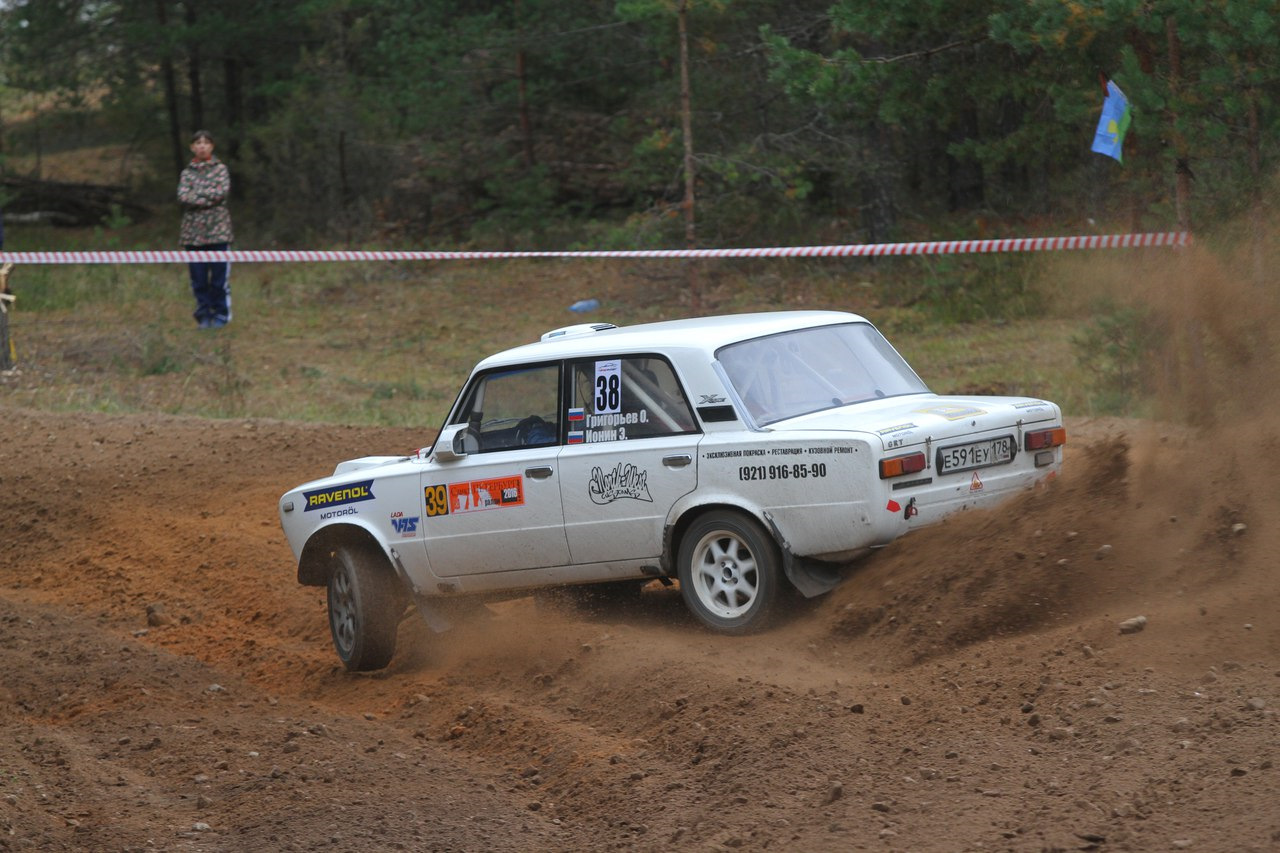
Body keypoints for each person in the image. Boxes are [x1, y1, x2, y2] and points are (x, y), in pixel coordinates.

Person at [178, 130, 233, 328]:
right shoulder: (187, 173)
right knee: (198, 279)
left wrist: (198, 196)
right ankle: (204, 313)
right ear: (192, 147)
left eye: (206, 142)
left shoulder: (221, 170)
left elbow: (220, 193)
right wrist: (206, 196)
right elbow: (183, 196)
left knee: (218, 279)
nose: (202, 146)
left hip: (218, 231)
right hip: (193, 234)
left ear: (212, 146)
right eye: (198, 143)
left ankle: (220, 314)